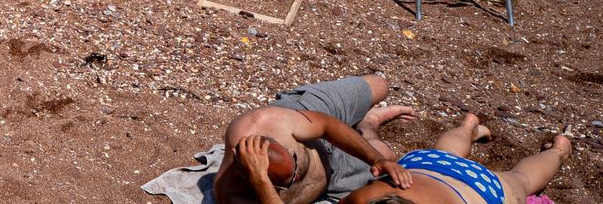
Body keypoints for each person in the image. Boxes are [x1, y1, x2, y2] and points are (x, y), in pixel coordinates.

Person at [215, 74, 414, 204]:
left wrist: (376, 159)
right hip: (334, 174)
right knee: (390, 156)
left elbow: (327, 126)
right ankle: (369, 122)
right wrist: (260, 181)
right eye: (290, 180)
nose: (298, 176)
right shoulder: (232, 194)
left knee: (379, 85)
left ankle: (363, 117)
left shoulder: (268, 120)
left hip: (308, 114)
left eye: (294, 160)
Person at [341, 116, 571, 204]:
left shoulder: (362, 198)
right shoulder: (365, 198)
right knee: (448, 152)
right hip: (424, 165)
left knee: (521, 180)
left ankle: (558, 151)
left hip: (480, 190)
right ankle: (468, 126)